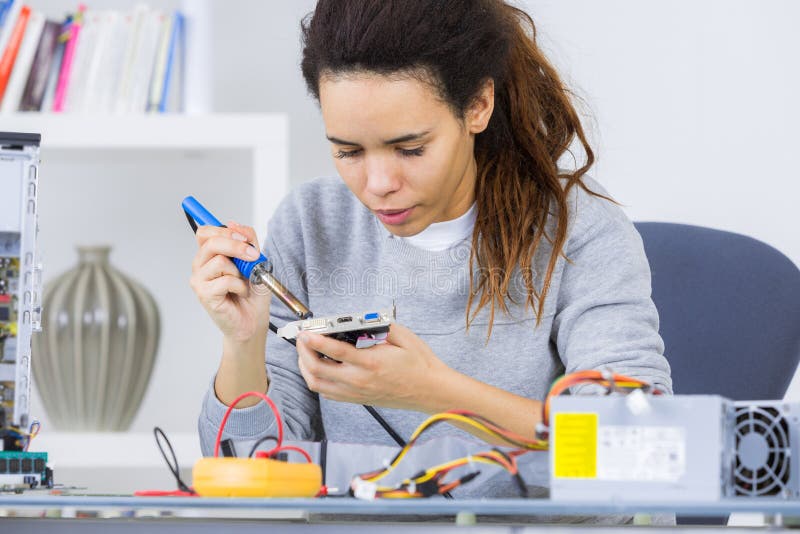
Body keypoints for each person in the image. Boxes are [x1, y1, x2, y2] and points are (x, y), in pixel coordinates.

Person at [192, 0, 671, 464]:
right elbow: (254, 469)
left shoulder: (578, 229)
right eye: (349, 152)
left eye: (411, 149)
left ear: (478, 106)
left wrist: (434, 391)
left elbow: (637, 447)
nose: (378, 185)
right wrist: (244, 343)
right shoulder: (310, 224)